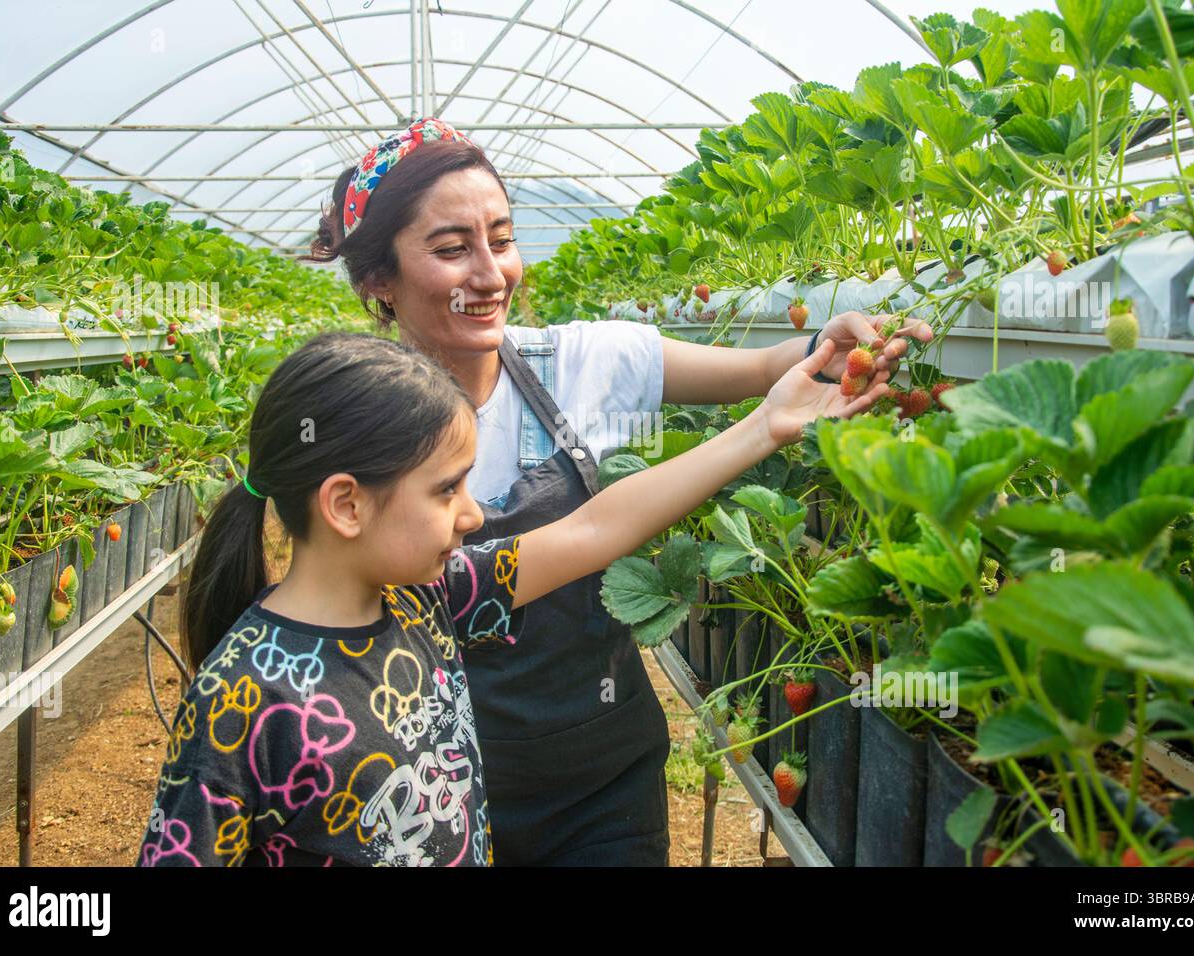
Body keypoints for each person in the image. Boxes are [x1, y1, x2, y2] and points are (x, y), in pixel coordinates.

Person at [304, 116, 929, 865]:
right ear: (377, 278)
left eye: (500, 241)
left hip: (604, 783)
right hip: (435, 790)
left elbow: (765, 374)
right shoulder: (358, 424)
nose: (490, 273)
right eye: (450, 249)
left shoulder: (587, 361)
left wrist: (830, 348)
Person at [135, 329, 885, 866]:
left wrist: (764, 427)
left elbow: (593, 529)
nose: (473, 514)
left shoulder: (425, 601)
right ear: (346, 505)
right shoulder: (242, 699)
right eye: (446, 491)